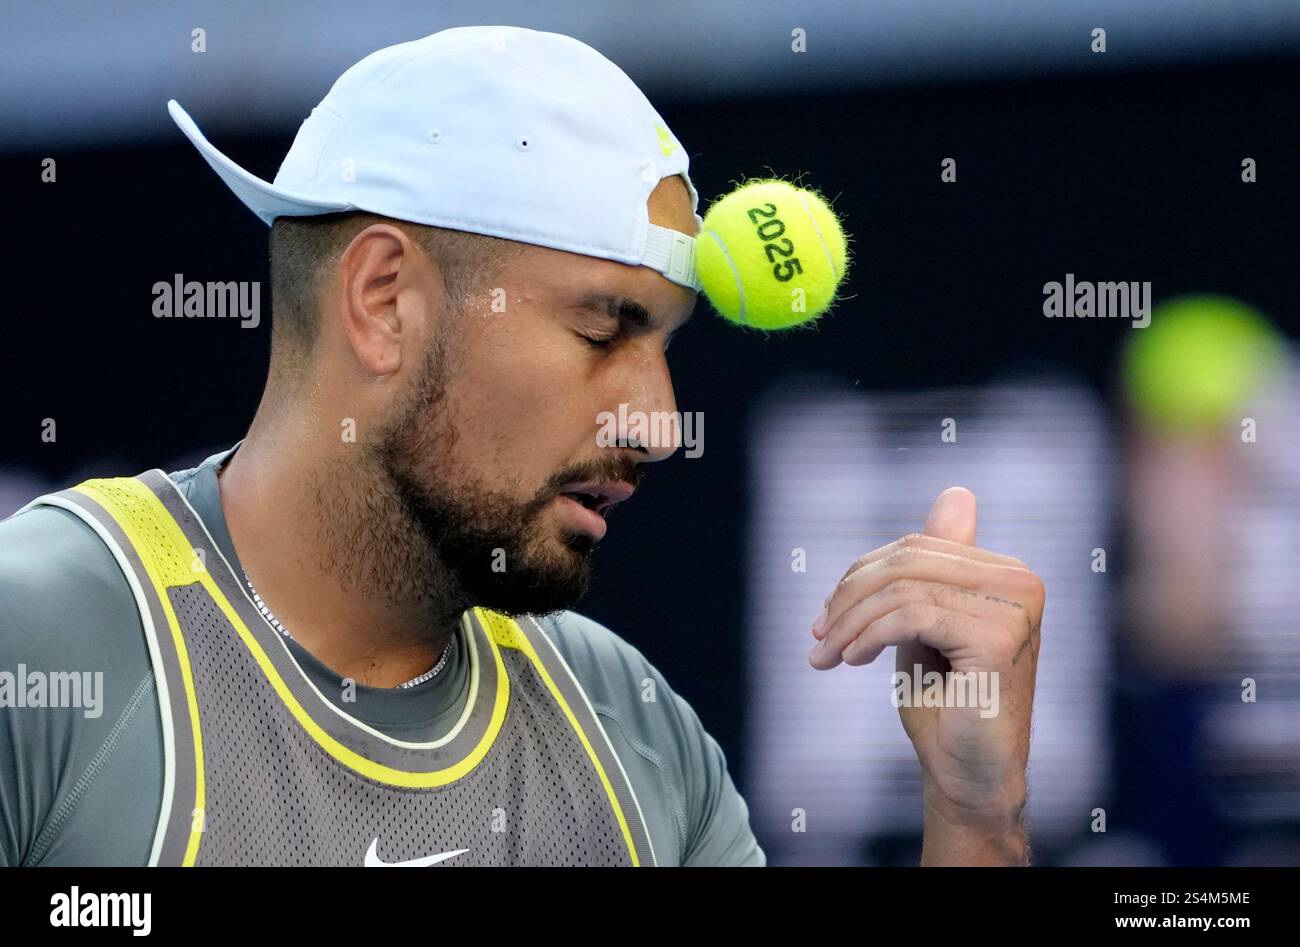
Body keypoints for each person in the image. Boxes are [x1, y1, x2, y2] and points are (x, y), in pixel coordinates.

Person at [0, 25, 1043, 866]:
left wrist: (976, 815)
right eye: (604, 328)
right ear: (382, 301)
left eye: (663, 341)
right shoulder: (37, 640)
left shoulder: (632, 727)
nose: (661, 422)